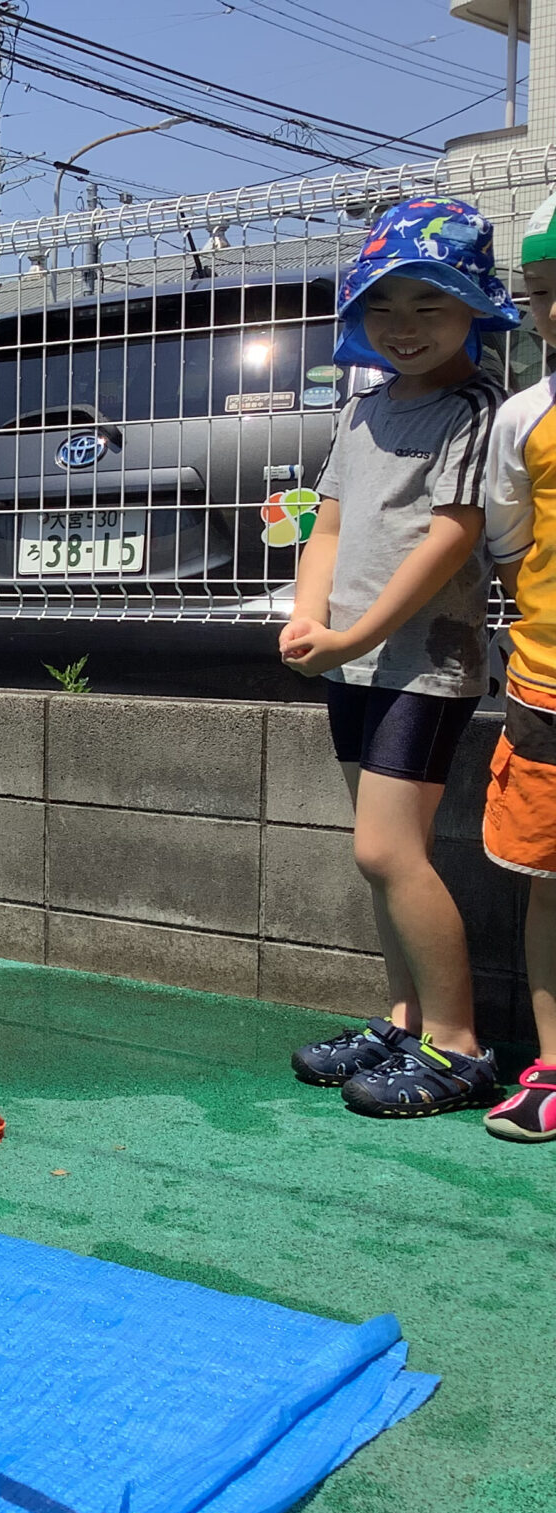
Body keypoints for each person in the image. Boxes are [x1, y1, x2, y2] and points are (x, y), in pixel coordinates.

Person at [278, 197, 515, 1117]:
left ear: (473, 309)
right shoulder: (365, 409)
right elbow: (327, 525)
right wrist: (311, 616)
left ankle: (457, 1047)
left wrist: (357, 633)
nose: (404, 328)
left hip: (424, 662)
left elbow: (451, 538)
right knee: (380, 854)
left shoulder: (474, 409)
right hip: (351, 660)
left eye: (430, 305)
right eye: (384, 308)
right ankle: (406, 1019)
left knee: (388, 851)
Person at [475, 196, 556, 1143]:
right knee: (549, 880)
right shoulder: (523, 418)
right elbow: (511, 552)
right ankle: (550, 1060)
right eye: (544, 293)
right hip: (545, 688)